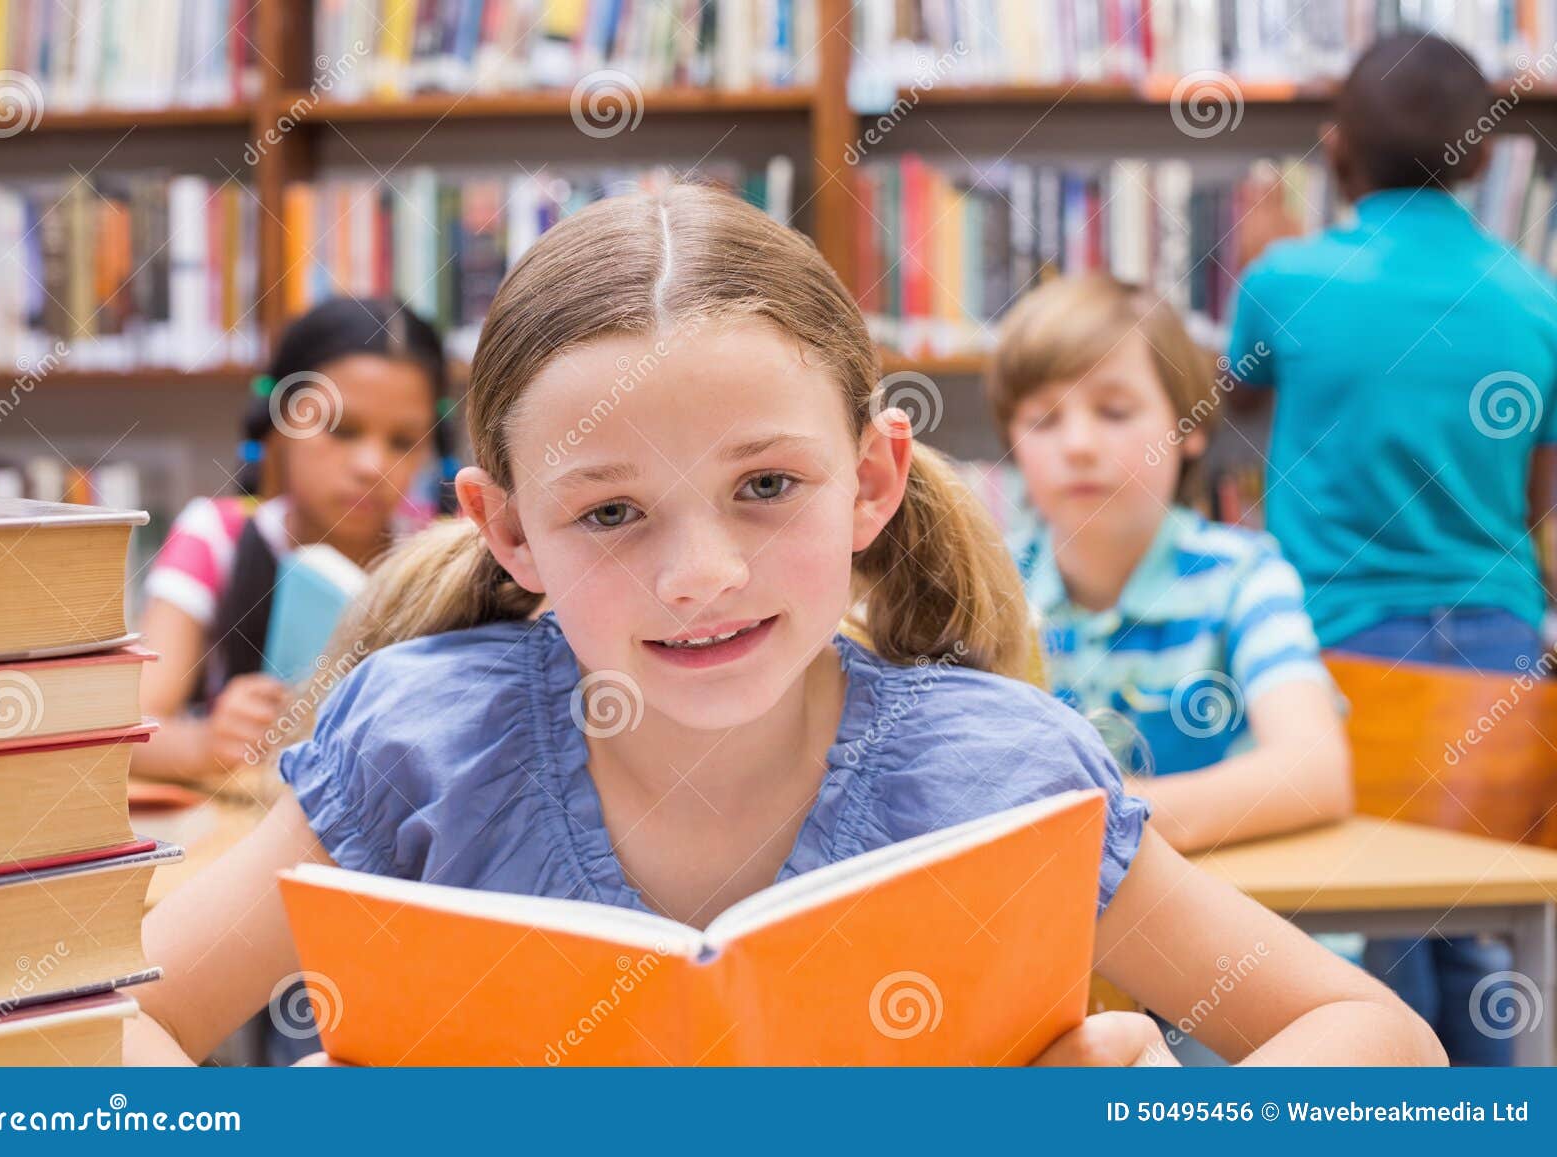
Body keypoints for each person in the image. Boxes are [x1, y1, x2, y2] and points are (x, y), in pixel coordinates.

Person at [125, 183, 1442, 1067]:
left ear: (871, 478)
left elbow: (1372, 1034)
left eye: (766, 487)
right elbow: (84, 1046)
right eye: (611, 513)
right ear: (508, 529)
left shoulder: (1006, 779)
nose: (700, 574)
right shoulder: (414, 747)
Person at [1226, 32, 1557, 1066]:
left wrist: (1250, 272)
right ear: (1477, 158)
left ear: (1334, 152)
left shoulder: (1285, 278)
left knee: (1372, 947)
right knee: (1473, 934)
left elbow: (1227, 426)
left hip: (1333, 659)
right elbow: (1538, 498)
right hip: (1502, 664)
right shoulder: (1534, 300)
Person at [990, 273, 1351, 855]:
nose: (1077, 444)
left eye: (1113, 410)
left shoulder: (1243, 575)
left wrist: (1109, 824)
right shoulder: (985, 585)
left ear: (1189, 429)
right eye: (1043, 420)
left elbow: (1316, 773)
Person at [135, 297, 457, 786]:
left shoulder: (443, 556)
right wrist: (205, 744)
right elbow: (131, 731)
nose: (372, 465)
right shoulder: (216, 536)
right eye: (342, 430)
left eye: (402, 441)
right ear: (280, 422)